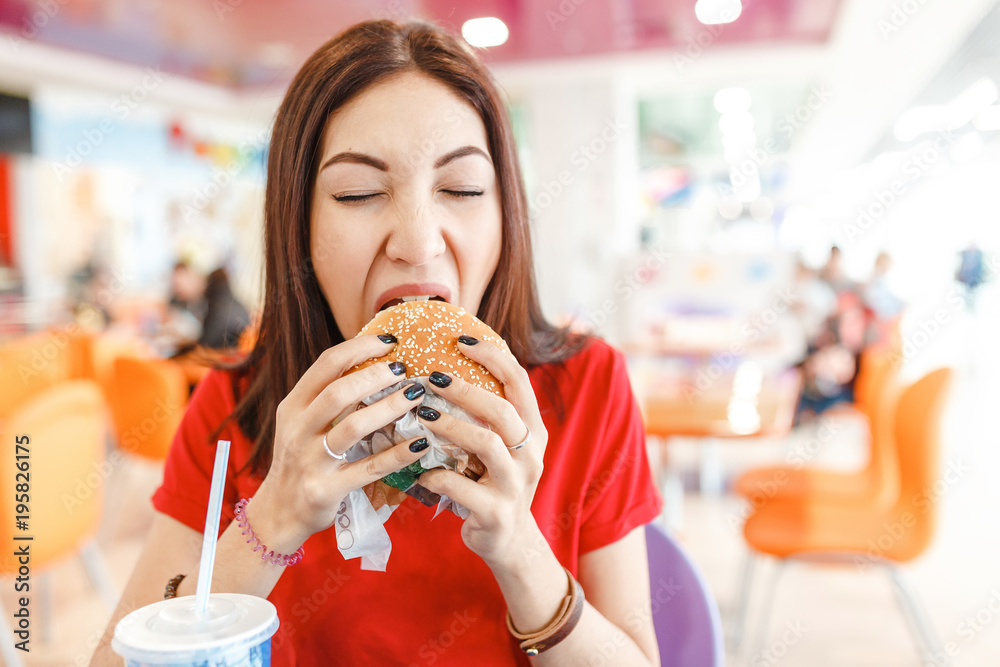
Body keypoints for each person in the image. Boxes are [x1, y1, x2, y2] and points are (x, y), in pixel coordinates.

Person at [92, 20, 662, 666]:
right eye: (358, 192)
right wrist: (273, 518)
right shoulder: (237, 407)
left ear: (505, 215)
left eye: (463, 189)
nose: (418, 240)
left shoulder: (587, 386)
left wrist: (519, 548)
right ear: (298, 226)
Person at [198, 267, 251, 350]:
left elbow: (206, 343)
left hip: (217, 355)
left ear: (210, 284)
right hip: (238, 354)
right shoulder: (238, 305)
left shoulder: (217, 308)